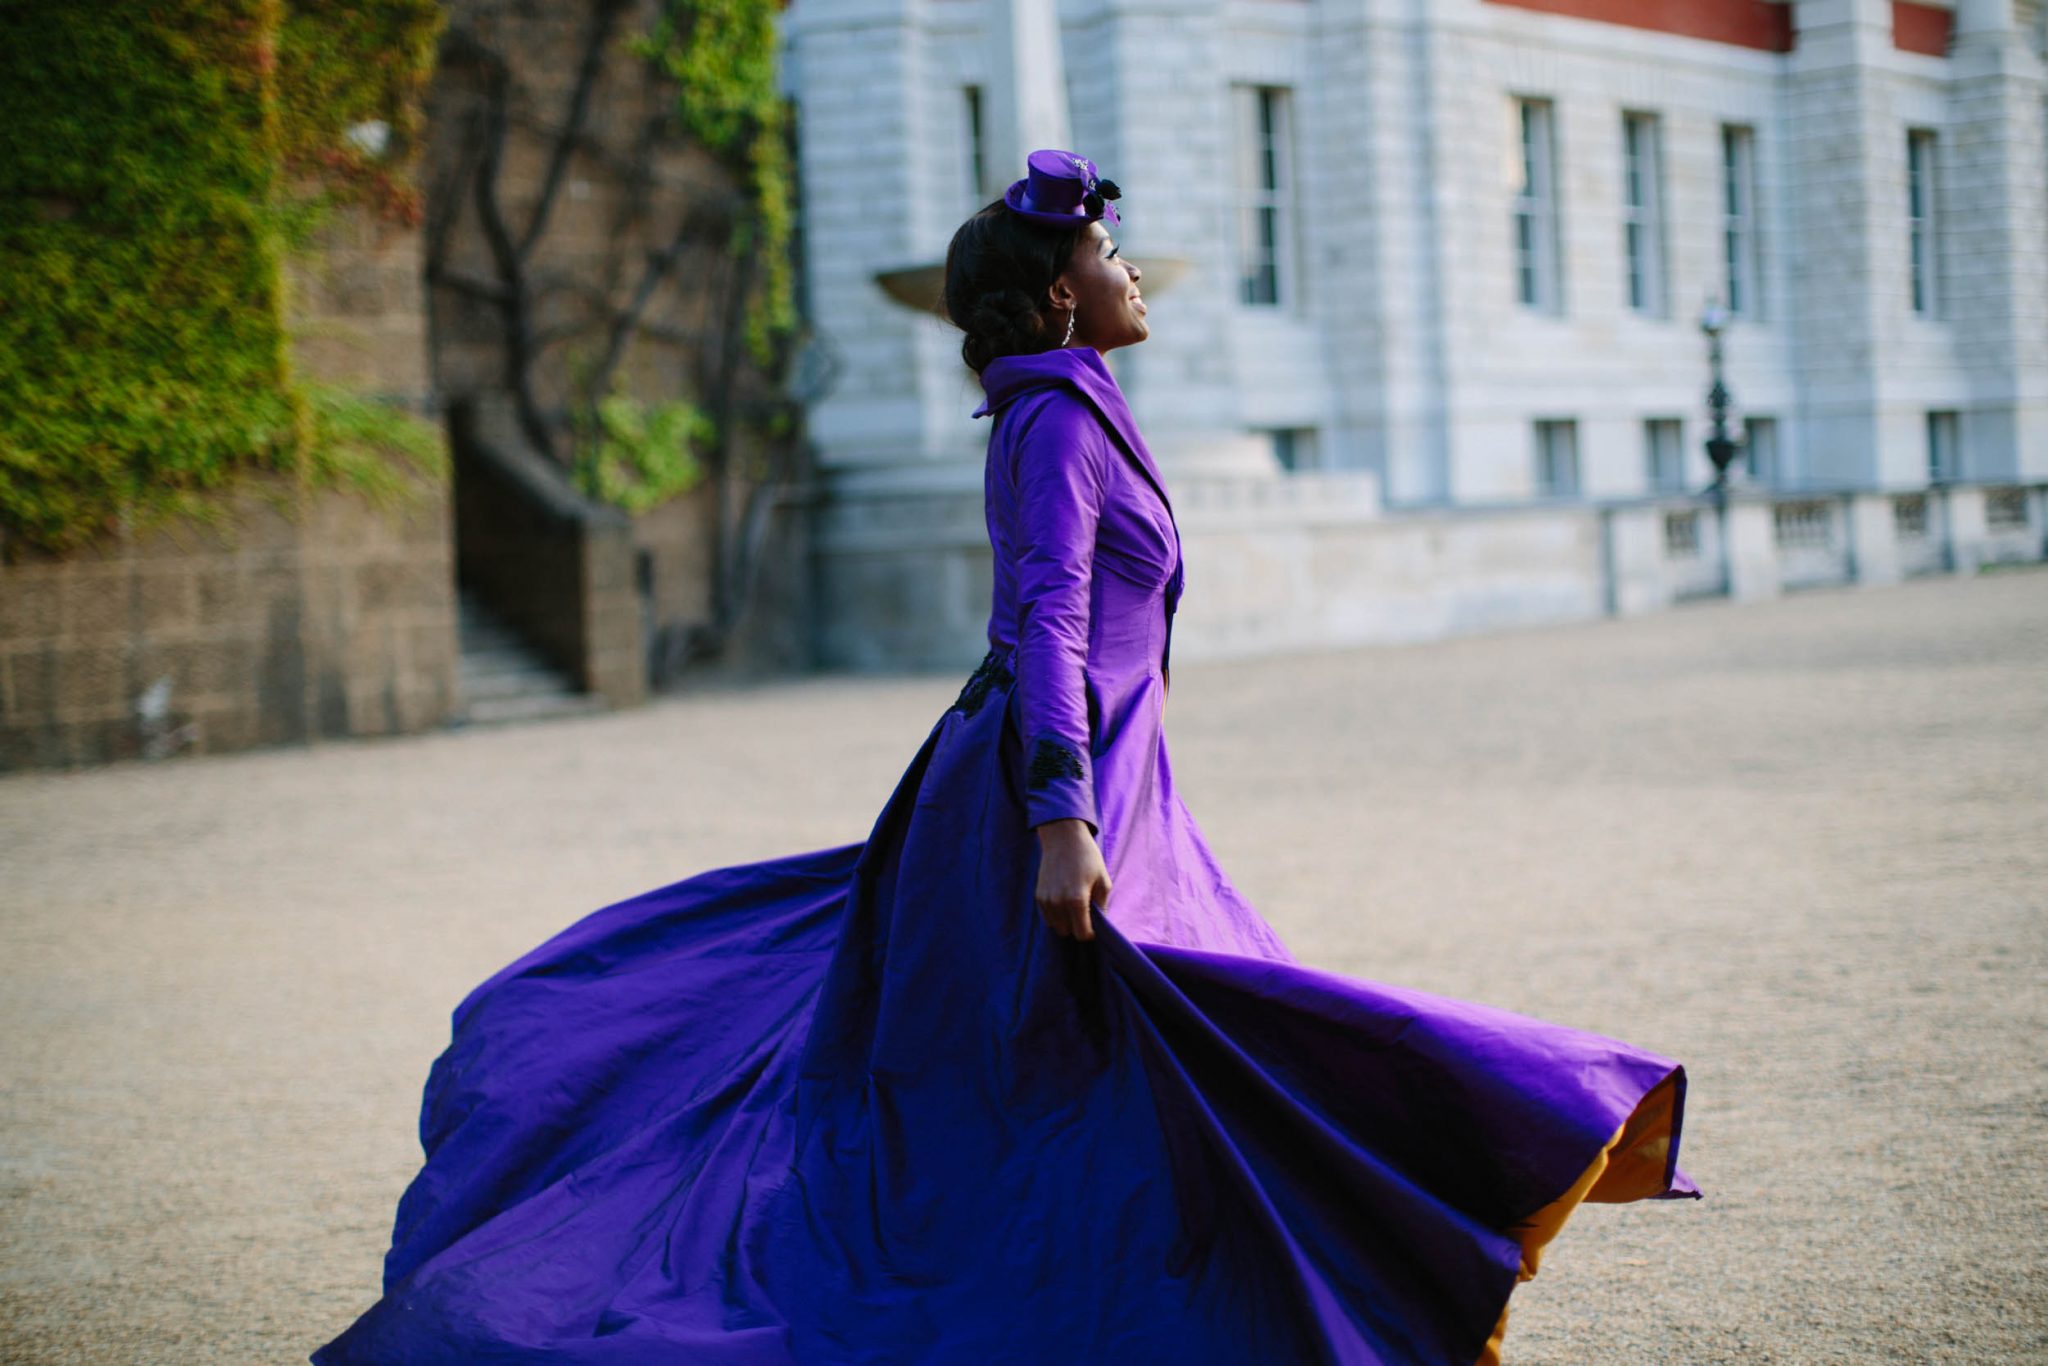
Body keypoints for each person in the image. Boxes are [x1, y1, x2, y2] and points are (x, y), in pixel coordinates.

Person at [311, 148, 1698, 1366]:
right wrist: (1057, 817)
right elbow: (1041, 611)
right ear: (1051, 297)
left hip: (1108, 779)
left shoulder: (1077, 400)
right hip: (1053, 788)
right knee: (1095, 1062)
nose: (1130, 266)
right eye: (1103, 253)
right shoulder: (1047, 418)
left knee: (1146, 1055)